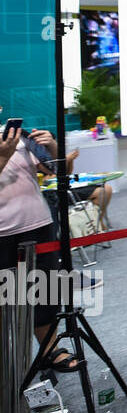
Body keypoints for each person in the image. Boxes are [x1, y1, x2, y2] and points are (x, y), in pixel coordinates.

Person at [1, 120, 77, 371]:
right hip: (3, 233)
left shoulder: (16, 135)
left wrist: (53, 148)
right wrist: (4, 156)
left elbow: (60, 172)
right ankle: (11, 363)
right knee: (7, 299)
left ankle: (49, 350)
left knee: (44, 293)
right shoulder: (9, 144)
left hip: (38, 224)